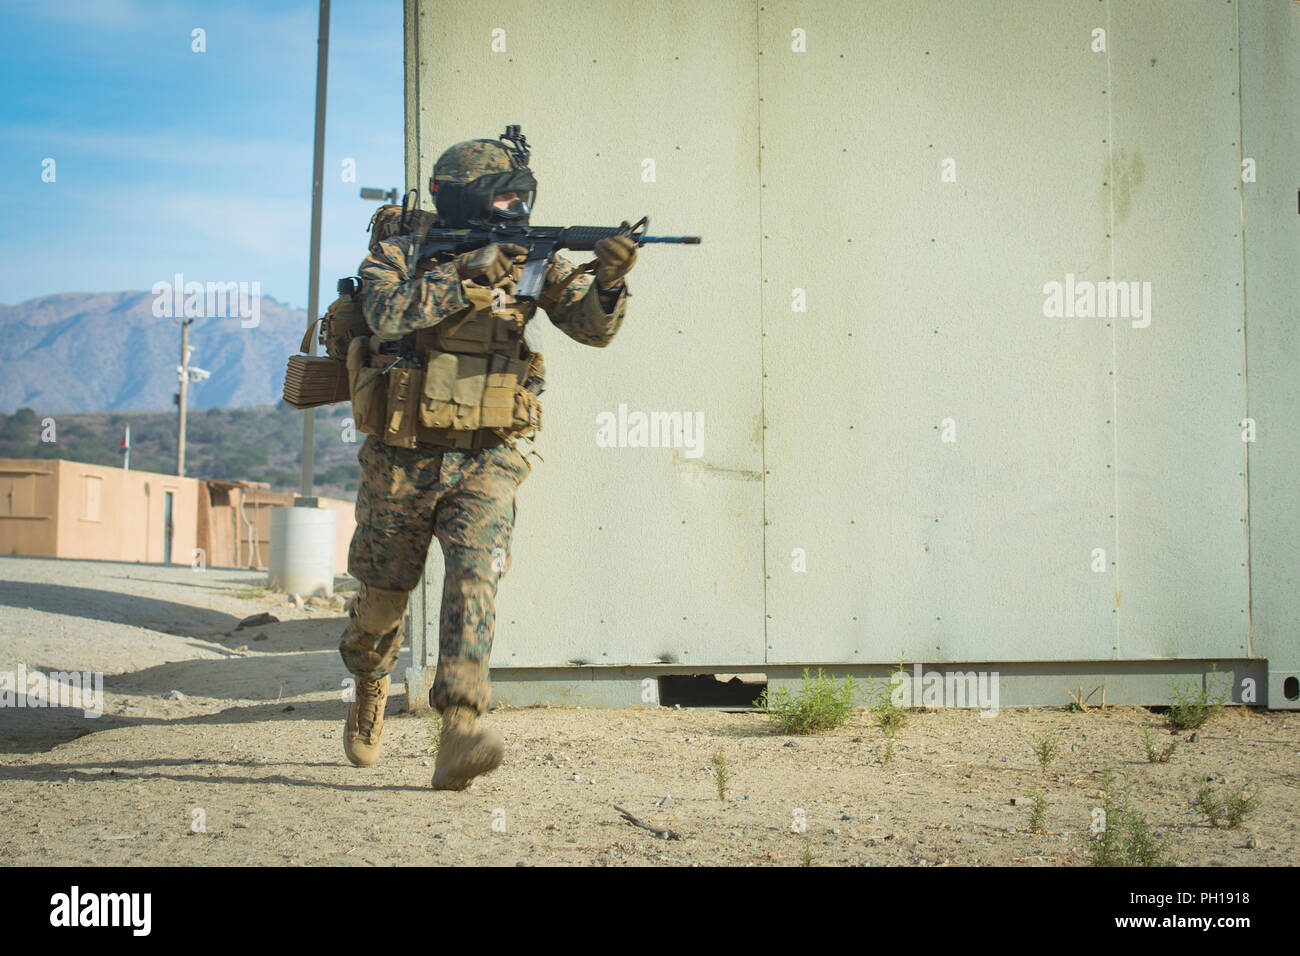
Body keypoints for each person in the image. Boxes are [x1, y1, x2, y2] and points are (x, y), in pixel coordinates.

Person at [337, 130, 637, 790]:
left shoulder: (533, 260)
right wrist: (466, 273)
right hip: (402, 457)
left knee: (476, 578)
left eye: (521, 197)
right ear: (466, 199)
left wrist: (610, 282)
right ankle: (369, 678)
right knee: (383, 601)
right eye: (503, 198)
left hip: (487, 456)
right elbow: (385, 314)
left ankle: (460, 728)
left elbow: (589, 329)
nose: (516, 209)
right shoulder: (402, 250)